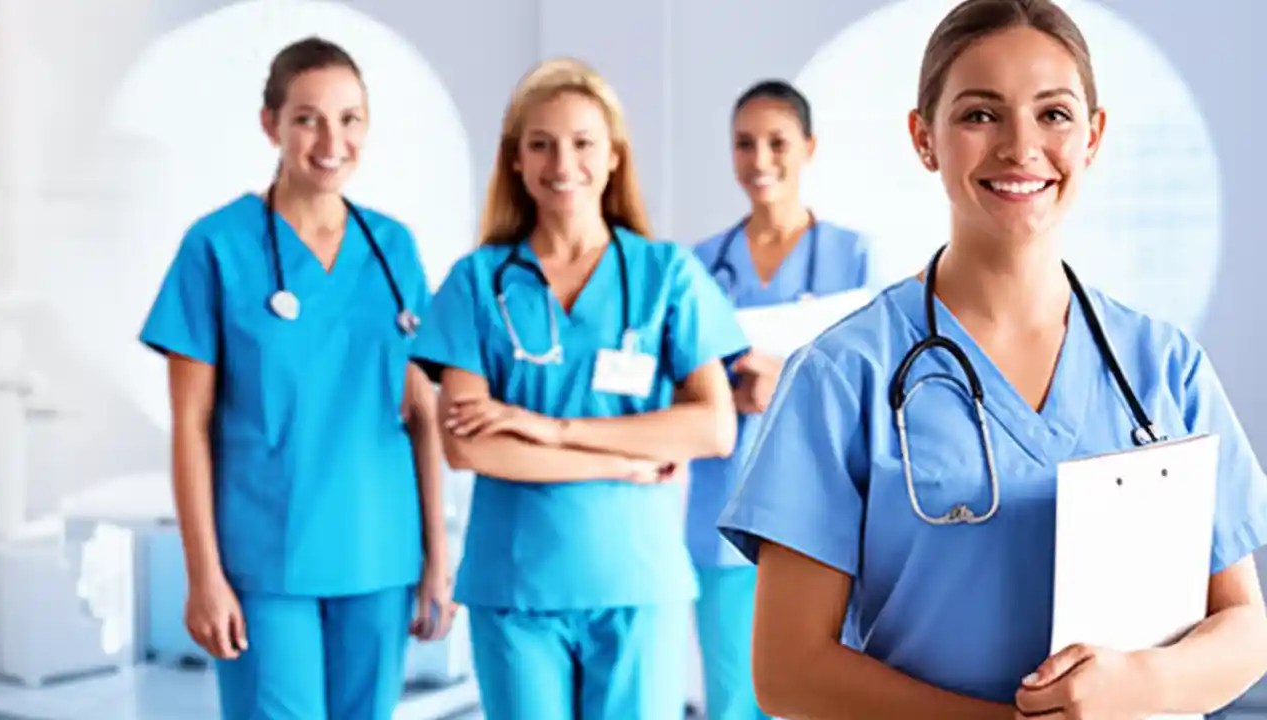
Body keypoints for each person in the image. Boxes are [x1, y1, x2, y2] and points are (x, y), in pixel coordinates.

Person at [717, 0, 1267, 717]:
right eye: (980, 114)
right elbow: (789, 670)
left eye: (1054, 114)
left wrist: (1138, 687)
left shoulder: (1164, 366)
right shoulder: (842, 374)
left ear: (1093, 137)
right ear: (924, 138)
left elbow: (1246, 630)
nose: (1020, 146)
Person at [410, 57, 748, 720]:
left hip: (637, 582)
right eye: (540, 144)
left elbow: (712, 427)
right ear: (515, 160)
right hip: (515, 586)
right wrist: (626, 457)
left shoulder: (664, 274)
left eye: (583, 143)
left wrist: (548, 426)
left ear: (614, 156)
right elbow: (470, 448)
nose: (562, 163)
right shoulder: (479, 281)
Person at [139, 37, 454, 719]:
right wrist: (203, 575)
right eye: (308, 118)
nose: (331, 139)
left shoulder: (393, 246)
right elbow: (190, 426)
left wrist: (438, 555)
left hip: (380, 552)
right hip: (265, 559)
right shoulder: (216, 246)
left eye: (351, 118)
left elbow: (423, 416)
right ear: (270, 125)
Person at [686, 79, 870, 720]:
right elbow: (677, 378)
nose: (759, 160)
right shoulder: (700, 265)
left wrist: (787, 376)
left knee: (821, 699)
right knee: (734, 697)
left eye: (776, 142)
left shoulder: (853, 256)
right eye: (744, 144)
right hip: (723, 505)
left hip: (821, 513)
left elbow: (877, 379)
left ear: (809, 147)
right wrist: (723, 391)